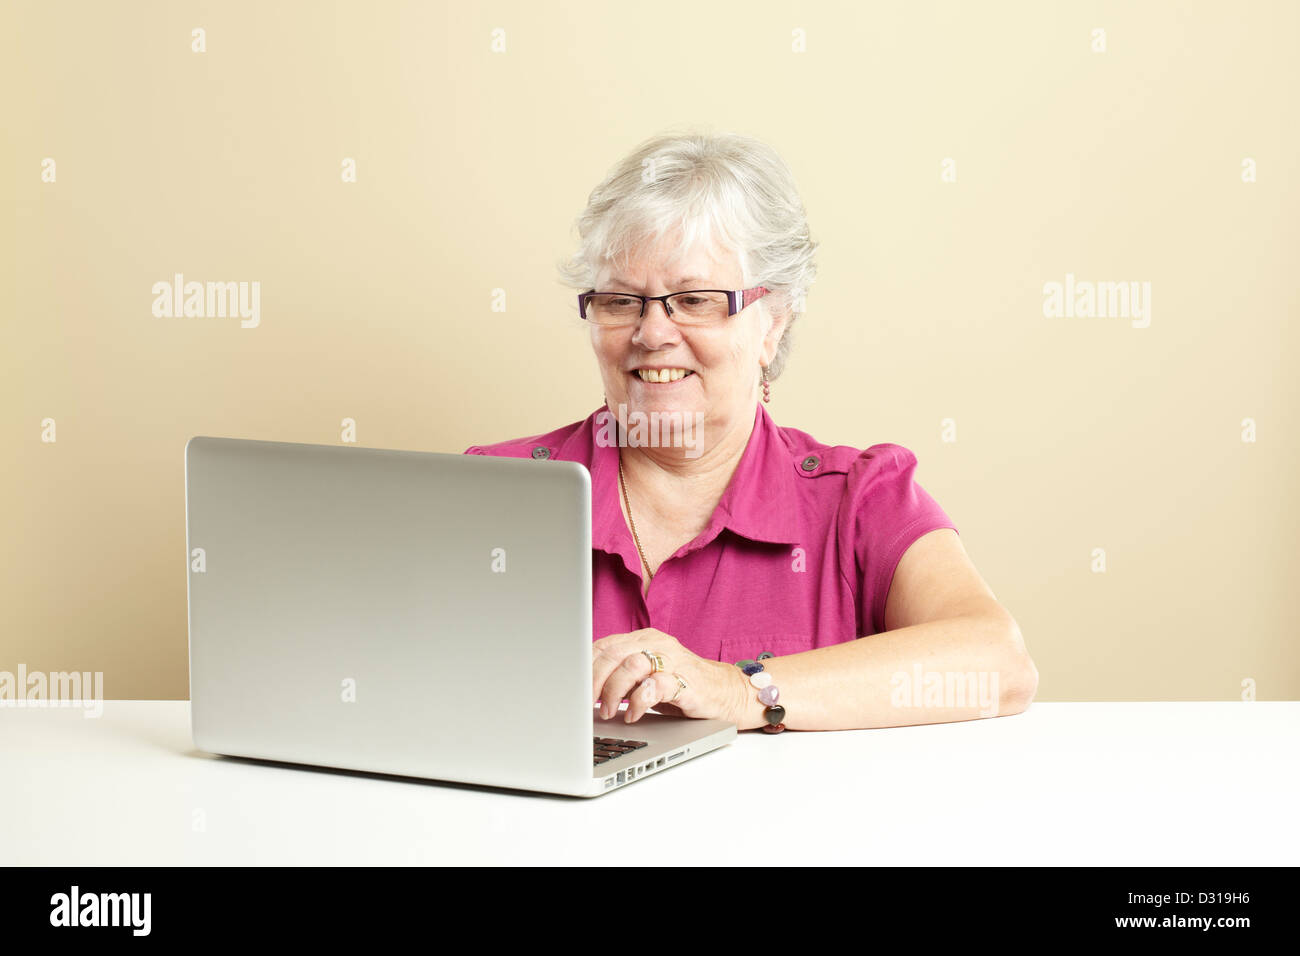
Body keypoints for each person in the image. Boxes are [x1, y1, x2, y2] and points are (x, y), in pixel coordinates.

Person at [466, 127, 1038, 732]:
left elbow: (997, 664)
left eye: (695, 300)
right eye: (619, 301)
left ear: (773, 323)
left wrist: (739, 691)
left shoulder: (860, 499)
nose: (652, 333)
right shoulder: (498, 490)